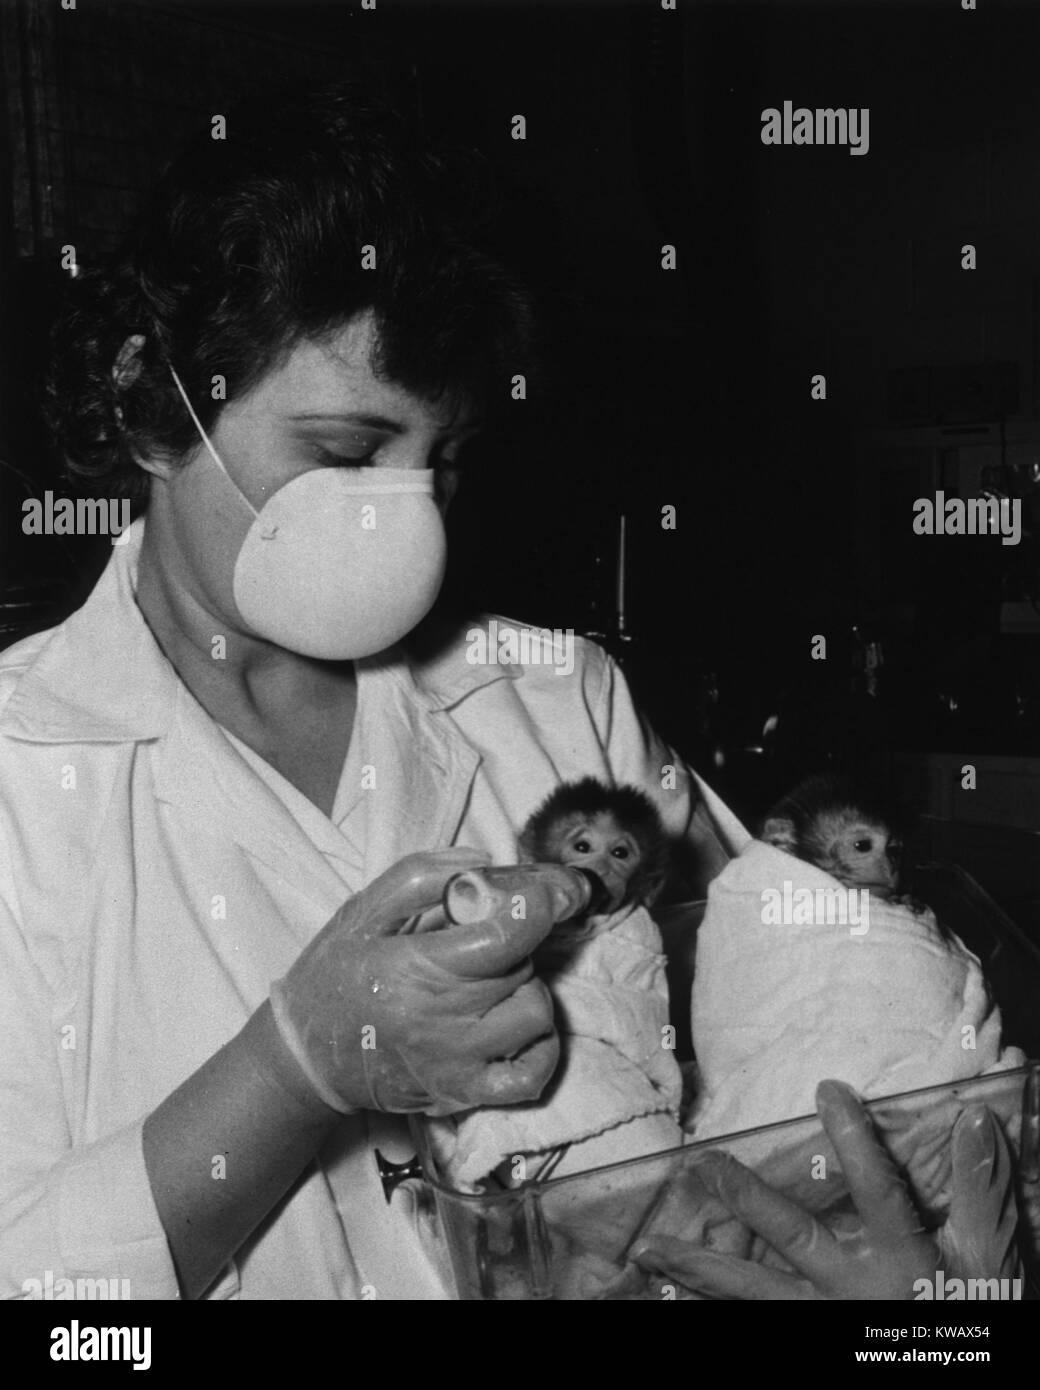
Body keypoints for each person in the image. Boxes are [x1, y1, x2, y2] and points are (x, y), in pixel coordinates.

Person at [0, 82, 1017, 1303]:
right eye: (341, 454)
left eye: (444, 464)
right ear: (146, 403)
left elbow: (804, 1036)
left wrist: (911, 1300)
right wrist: (294, 1071)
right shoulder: (22, 780)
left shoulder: (557, 698)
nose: (407, 528)